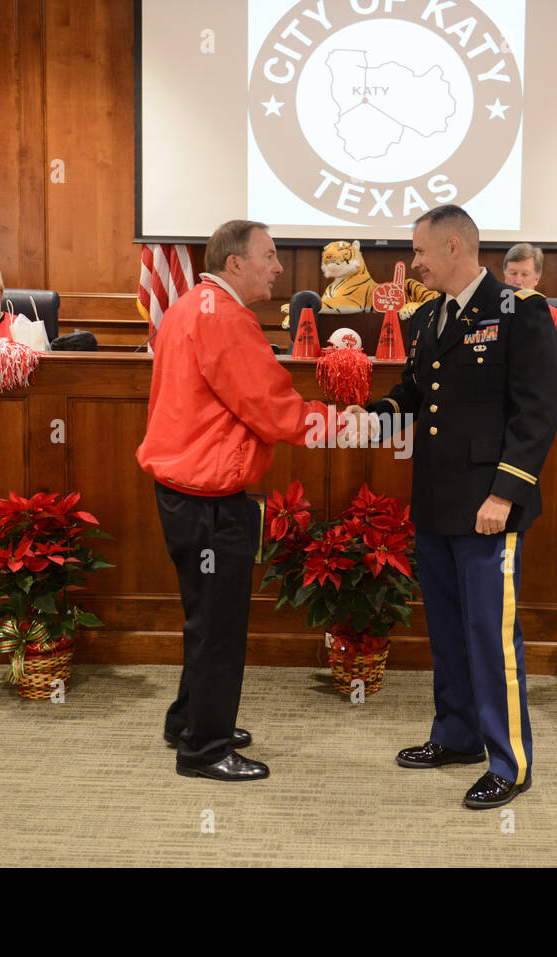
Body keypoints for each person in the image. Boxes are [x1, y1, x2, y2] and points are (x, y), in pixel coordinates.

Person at [345, 205, 557, 810]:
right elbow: (415, 394)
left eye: (418, 252)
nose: (412, 263)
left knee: (491, 636)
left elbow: (537, 413)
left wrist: (505, 493)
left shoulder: (522, 312)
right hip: (436, 502)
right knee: (447, 629)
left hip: (489, 505)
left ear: (453, 248)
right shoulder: (429, 316)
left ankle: (508, 761)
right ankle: (457, 735)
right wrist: (376, 419)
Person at [137, 219, 341, 782]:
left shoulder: (187, 307)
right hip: (210, 499)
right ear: (234, 264)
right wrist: (349, 425)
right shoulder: (226, 319)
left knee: (203, 619)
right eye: (271, 256)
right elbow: (275, 409)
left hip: (183, 491)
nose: (279, 267)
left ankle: (188, 720)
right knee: (220, 626)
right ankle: (204, 748)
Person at [502, 242, 557, 360]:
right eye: (513, 273)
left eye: (525, 274)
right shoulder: (492, 314)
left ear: (537, 278)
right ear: (505, 276)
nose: (518, 281)